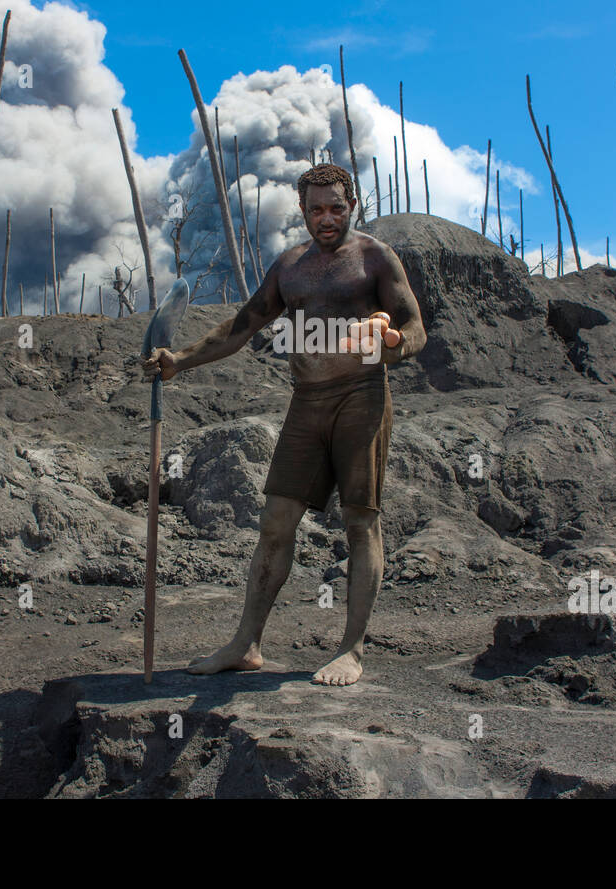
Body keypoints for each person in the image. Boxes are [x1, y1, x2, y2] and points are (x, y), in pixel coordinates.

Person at [141, 163, 426, 686]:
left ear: (352, 205)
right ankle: (246, 644)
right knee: (276, 521)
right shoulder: (289, 267)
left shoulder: (374, 258)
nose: (326, 218)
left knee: (361, 522)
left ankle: (352, 650)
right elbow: (241, 328)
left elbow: (414, 329)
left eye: (336, 207)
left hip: (361, 398)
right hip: (307, 401)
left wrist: (392, 344)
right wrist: (179, 360)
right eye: (316, 209)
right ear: (302, 211)